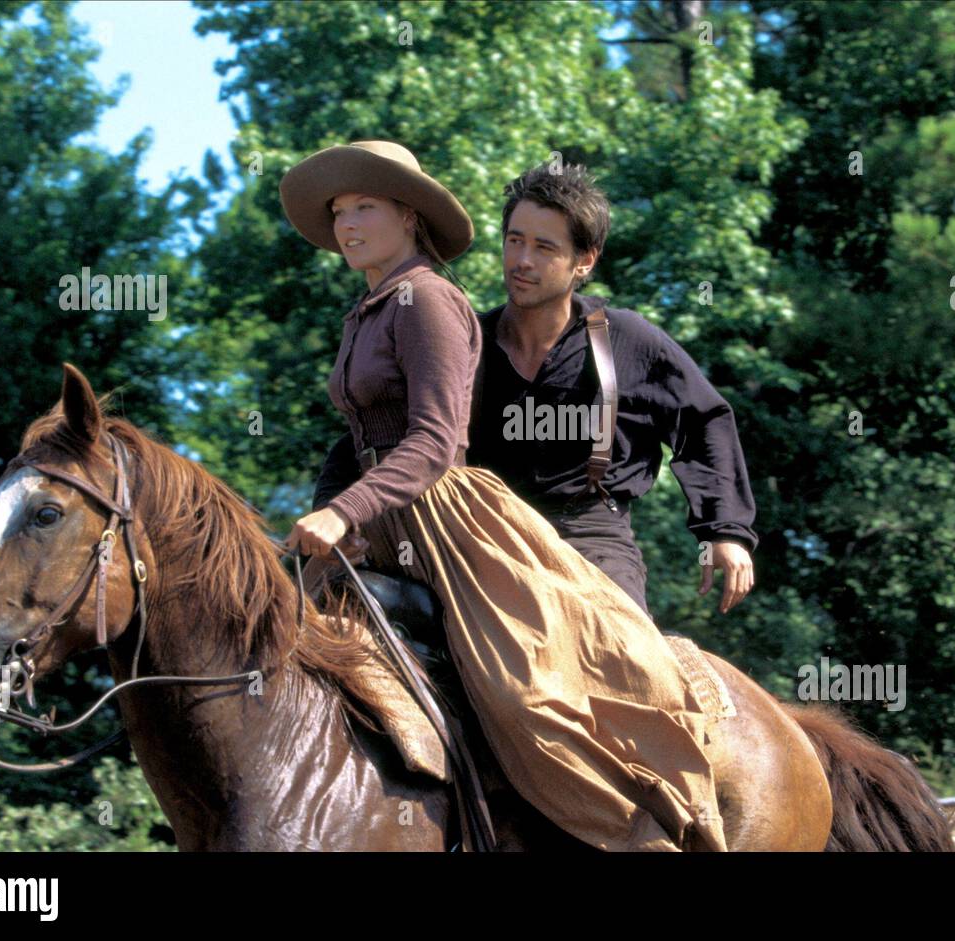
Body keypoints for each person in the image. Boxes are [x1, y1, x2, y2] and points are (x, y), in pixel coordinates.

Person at [280, 140, 726, 851]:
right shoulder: (374, 311)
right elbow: (359, 440)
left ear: (409, 215)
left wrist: (724, 529)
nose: (347, 223)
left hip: (491, 524)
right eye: (339, 210)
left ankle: (642, 831)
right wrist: (329, 519)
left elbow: (432, 443)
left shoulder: (430, 300)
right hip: (400, 520)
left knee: (531, 697)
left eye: (366, 205)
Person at [314, 163, 758, 618]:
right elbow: (376, 432)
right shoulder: (465, 338)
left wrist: (724, 531)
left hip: (590, 539)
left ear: (585, 260)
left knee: (630, 664)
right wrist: (333, 512)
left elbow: (704, 423)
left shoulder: (627, 340)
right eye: (514, 241)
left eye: (544, 247)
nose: (522, 261)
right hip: (485, 537)